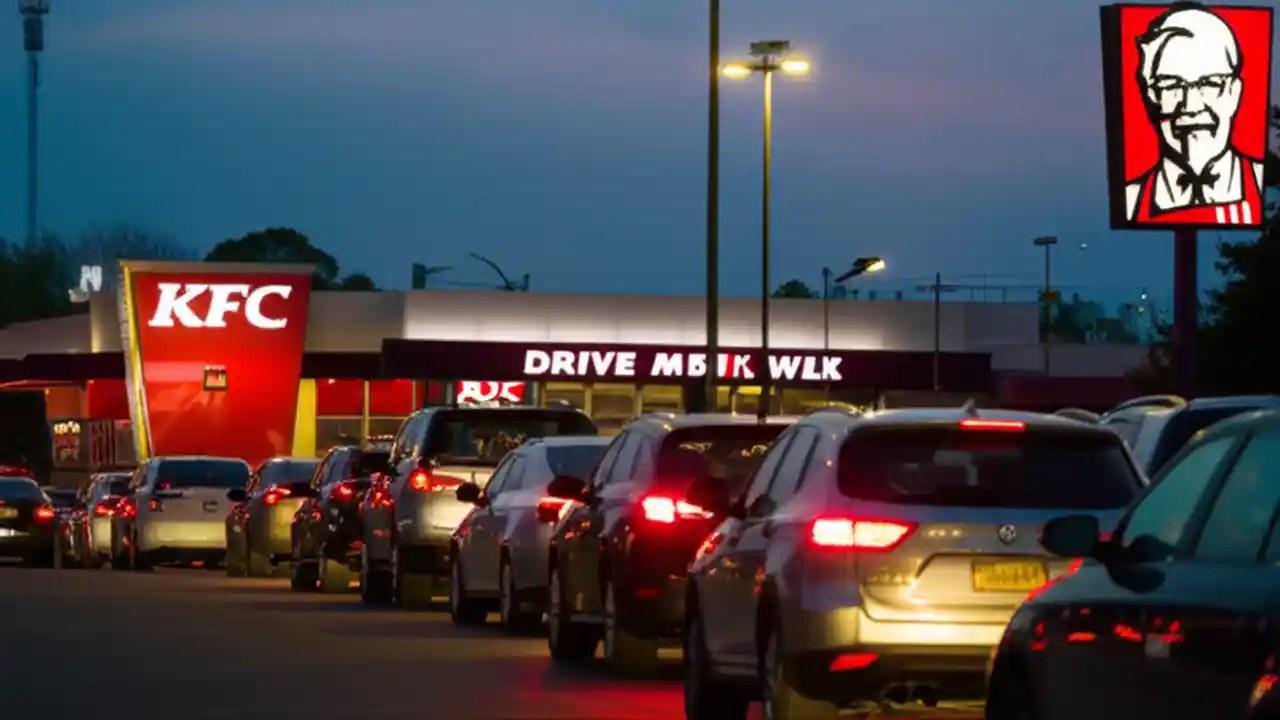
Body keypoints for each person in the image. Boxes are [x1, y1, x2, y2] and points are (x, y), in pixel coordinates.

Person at [1124, 6, 1265, 225]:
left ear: (1234, 92)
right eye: (1172, 86)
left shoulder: (1266, 185)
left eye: (1210, 84)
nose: (1191, 106)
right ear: (1152, 95)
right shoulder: (1131, 200)